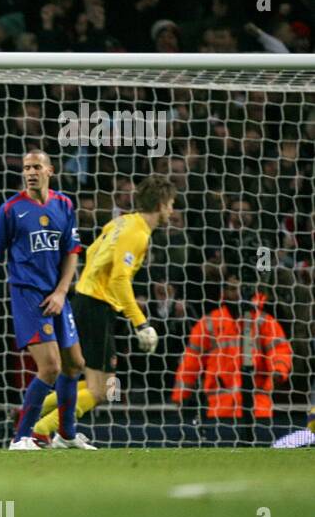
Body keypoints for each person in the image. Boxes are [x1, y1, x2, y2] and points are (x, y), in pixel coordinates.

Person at [32, 175, 176, 443]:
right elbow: (119, 279)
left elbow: (92, 253)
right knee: (102, 389)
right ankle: (42, 428)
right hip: (96, 306)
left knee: (93, 381)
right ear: (160, 204)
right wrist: (140, 322)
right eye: (170, 205)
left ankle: (33, 411)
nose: (171, 211)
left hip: (87, 302)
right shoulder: (138, 233)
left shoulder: (120, 222)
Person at [0, 150, 88, 450]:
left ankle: (66, 435)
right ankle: (21, 437)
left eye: (36, 167)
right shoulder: (11, 209)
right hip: (28, 296)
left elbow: (71, 253)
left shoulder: (64, 204)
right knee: (50, 367)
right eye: (26, 167)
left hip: (57, 296)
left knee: (75, 364)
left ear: (49, 170)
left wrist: (62, 291)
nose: (30, 172)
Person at [171, 276, 293, 445]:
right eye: (231, 289)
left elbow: (280, 350)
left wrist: (279, 370)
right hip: (220, 410)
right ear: (224, 292)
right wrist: (181, 396)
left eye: (239, 289)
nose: (236, 294)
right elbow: (190, 362)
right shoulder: (210, 323)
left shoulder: (263, 321)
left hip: (258, 409)